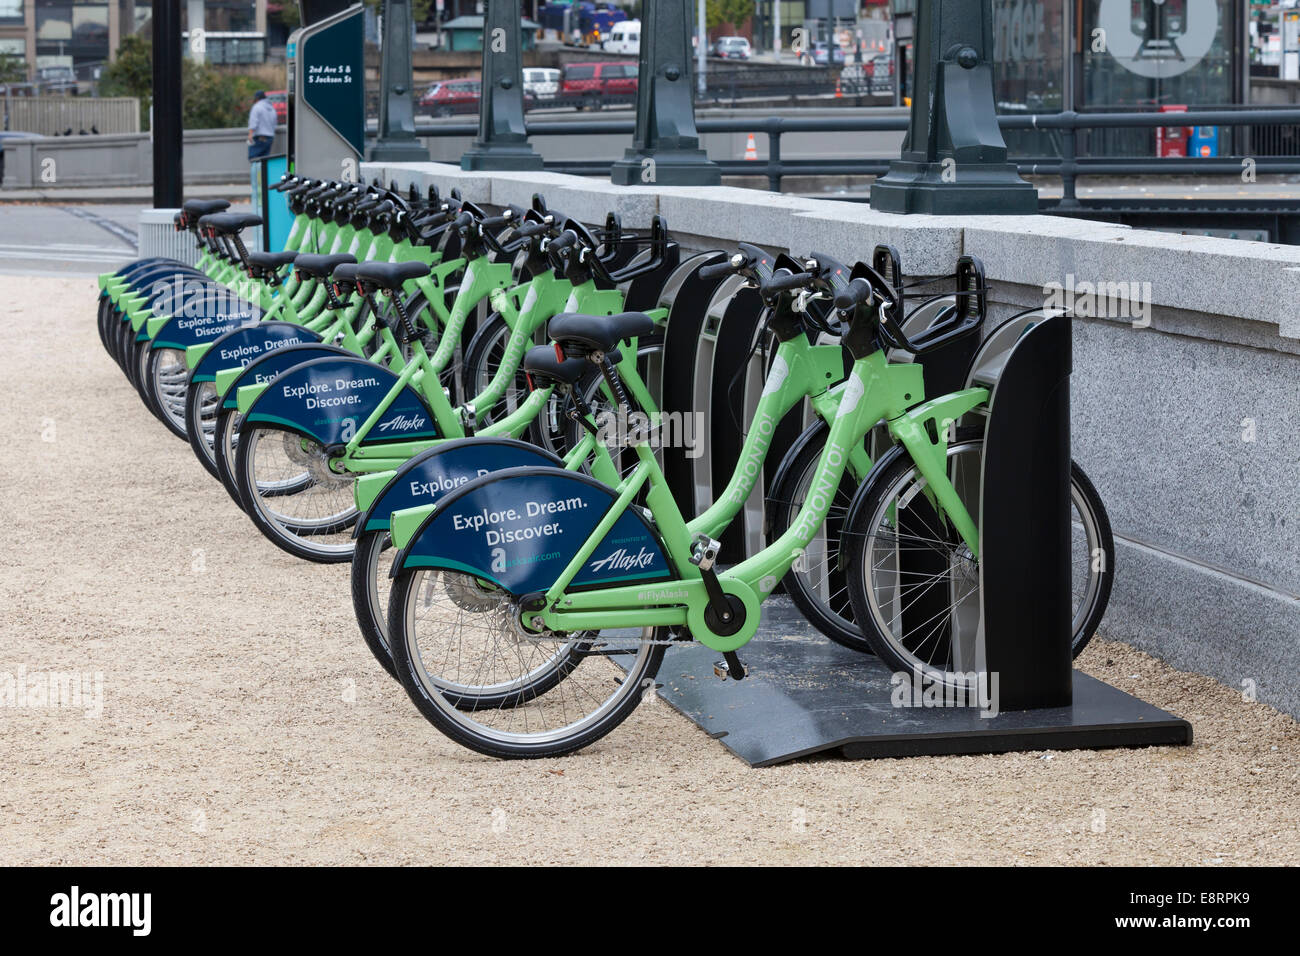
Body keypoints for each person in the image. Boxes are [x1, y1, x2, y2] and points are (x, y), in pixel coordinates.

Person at [247, 91, 277, 161]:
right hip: (270, 137)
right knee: (264, 161)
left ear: (257, 99)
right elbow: (275, 123)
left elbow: (253, 122)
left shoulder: (257, 107)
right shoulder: (272, 108)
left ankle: (257, 172)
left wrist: (250, 135)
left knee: (254, 159)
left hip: (259, 138)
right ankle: (263, 172)